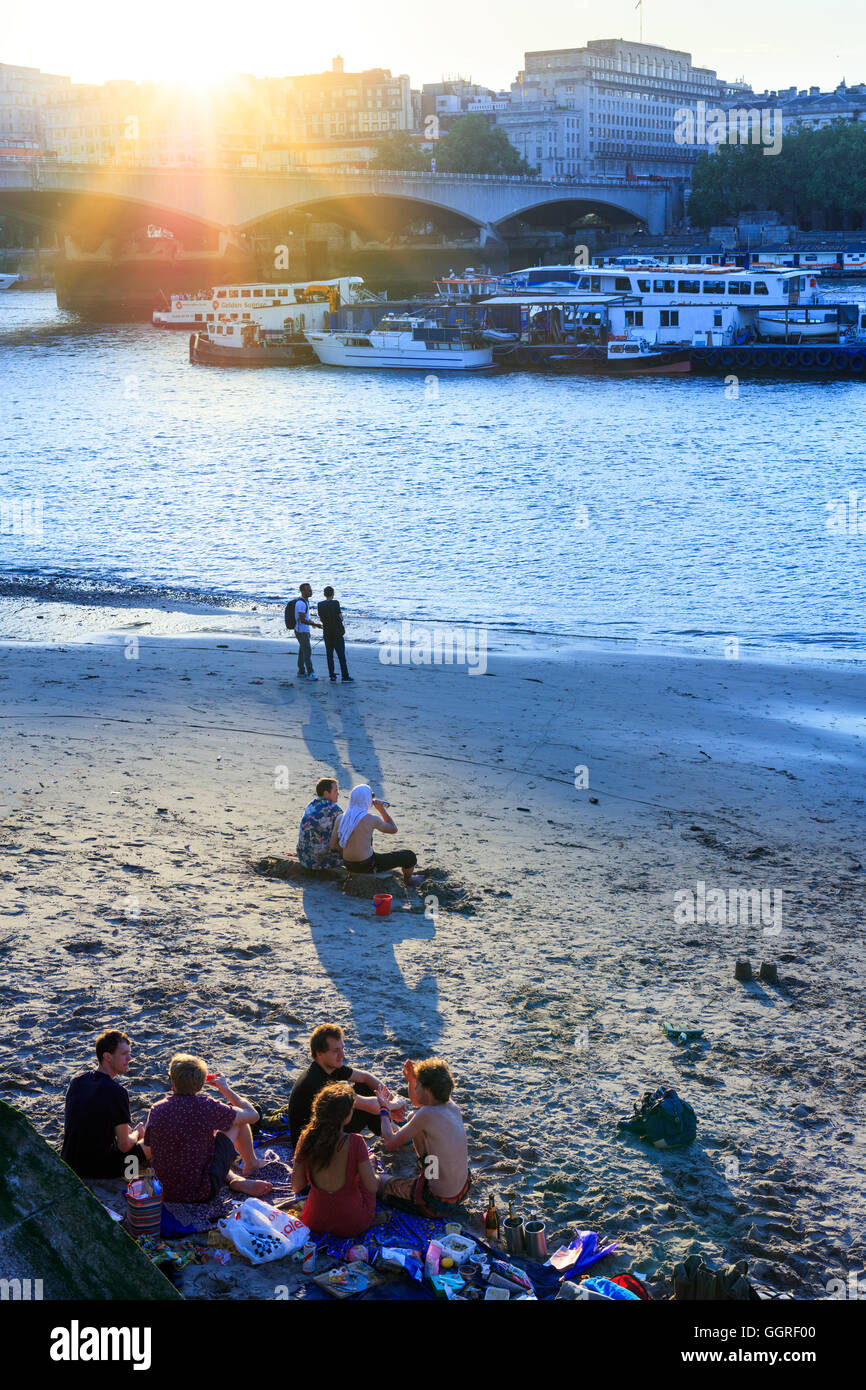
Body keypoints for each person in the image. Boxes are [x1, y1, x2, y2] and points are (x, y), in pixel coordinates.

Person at [143, 1053, 273, 1204]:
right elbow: (253, 1115)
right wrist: (225, 1088)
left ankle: (233, 1178)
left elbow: (149, 1145)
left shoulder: (157, 1109)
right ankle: (251, 1163)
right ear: (200, 1084)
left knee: (193, 1145)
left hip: (166, 1191)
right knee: (237, 1120)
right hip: (202, 1192)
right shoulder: (207, 1107)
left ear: (173, 1081)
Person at [378, 1058, 471, 1219]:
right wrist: (412, 1080)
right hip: (463, 1190)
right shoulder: (451, 1106)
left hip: (437, 1203)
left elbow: (390, 1143)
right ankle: (428, 1173)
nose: (415, 1088)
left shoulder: (427, 1115)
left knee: (379, 1182)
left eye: (417, 1085)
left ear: (427, 1090)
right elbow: (417, 1102)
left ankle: (425, 1183)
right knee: (413, 1115)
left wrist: (384, 1110)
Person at [287, 1023, 406, 1148]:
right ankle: (395, 1134)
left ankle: (393, 1131)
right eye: (335, 1051)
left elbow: (366, 1077)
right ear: (319, 1054)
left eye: (342, 1048)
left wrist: (391, 1099)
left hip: (323, 1130)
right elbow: (371, 1105)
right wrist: (396, 1104)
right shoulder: (318, 1082)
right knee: (369, 1099)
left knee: (365, 1087)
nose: (342, 1055)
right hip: (313, 1146)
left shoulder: (328, 1066)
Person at [291, 1083, 378, 1237]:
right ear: (346, 1116)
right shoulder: (356, 1142)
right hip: (352, 1223)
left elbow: (297, 1186)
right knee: (366, 1181)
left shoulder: (306, 1139)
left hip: (314, 1220)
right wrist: (371, 1168)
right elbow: (372, 1187)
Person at [61, 1029, 148, 1179]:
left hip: (69, 1161)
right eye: (124, 1054)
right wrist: (137, 1133)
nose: (130, 1058)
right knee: (151, 1144)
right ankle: (131, 1175)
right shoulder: (117, 1092)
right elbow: (124, 1146)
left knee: (126, 1133)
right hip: (97, 1170)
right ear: (107, 1057)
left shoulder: (77, 1079)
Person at [330, 783, 424, 887]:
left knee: (366, 842)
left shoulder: (341, 818)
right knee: (409, 856)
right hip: (367, 865)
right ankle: (408, 880)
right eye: (372, 796)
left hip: (348, 864)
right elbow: (393, 829)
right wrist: (381, 809)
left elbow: (333, 845)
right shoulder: (371, 819)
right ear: (367, 799)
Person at [296, 777, 343, 870]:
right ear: (326, 793)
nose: (338, 793)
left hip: (303, 857)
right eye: (335, 791)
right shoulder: (334, 809)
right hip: (319, 861)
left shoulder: (311, 805)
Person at [317, 586, 353, 683]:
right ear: (333, 594)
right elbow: (341, 617)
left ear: (324, 594)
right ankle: (345, 676)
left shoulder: (320, 604)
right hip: (337, 633)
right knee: (341, 656)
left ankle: (332, 676)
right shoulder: (336, 603)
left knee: (329, 655)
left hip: (327, 633)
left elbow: (321, 619)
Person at [288, 582, 322, 681]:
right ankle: (311, 673)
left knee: (303, 650)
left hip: (303, 630)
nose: (311, 591)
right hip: (301, 631)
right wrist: (314, 624)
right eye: (308, 590)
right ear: (303, 591)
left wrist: (314, 623)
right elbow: (302, 620)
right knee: (307, 652)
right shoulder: (301, 603)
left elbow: (305, 618)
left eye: (310, 589)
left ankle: (301, 671)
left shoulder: (305, 601)